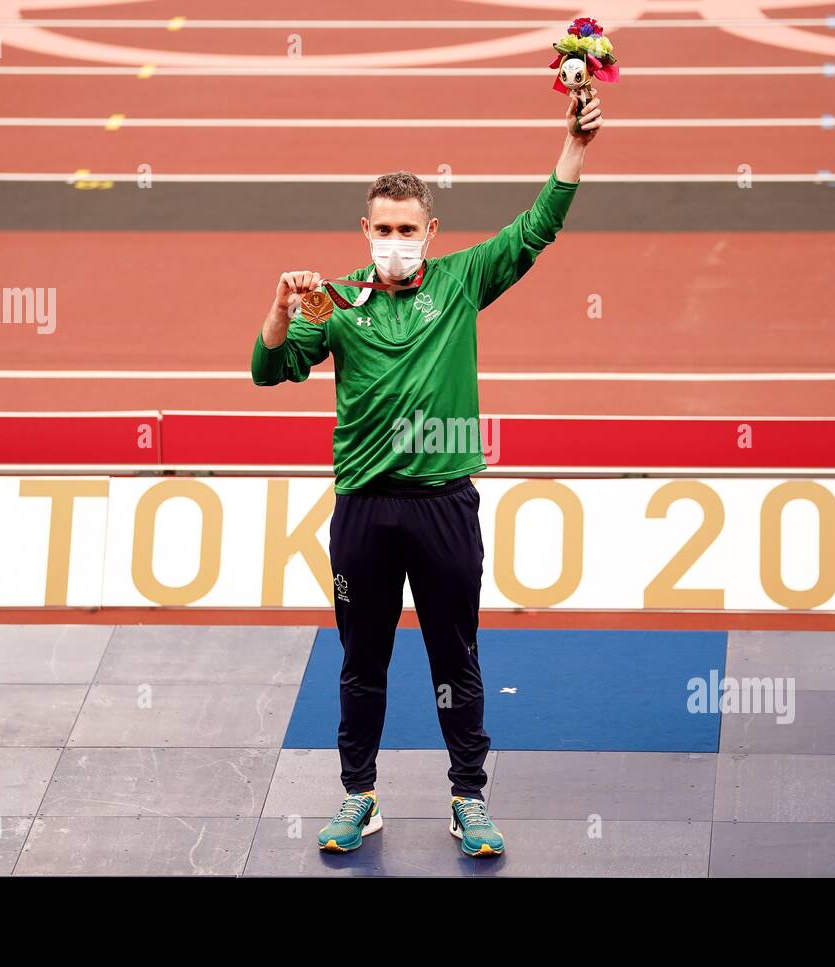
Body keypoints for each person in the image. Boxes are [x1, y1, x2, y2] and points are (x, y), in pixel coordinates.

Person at [250, 92, 603, 857]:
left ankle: (468, 798)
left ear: (430, 233)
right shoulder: (335, 299)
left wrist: (574, 145)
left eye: (408, 230)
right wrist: (281, 309)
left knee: (457, 656)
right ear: (365, 231)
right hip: (363, 512)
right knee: (360, 662)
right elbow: (268, 369)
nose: (396, 241)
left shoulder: (463, 280)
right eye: (384, 229)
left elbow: (536, 227)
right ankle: (358, 797)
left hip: (445, 507)